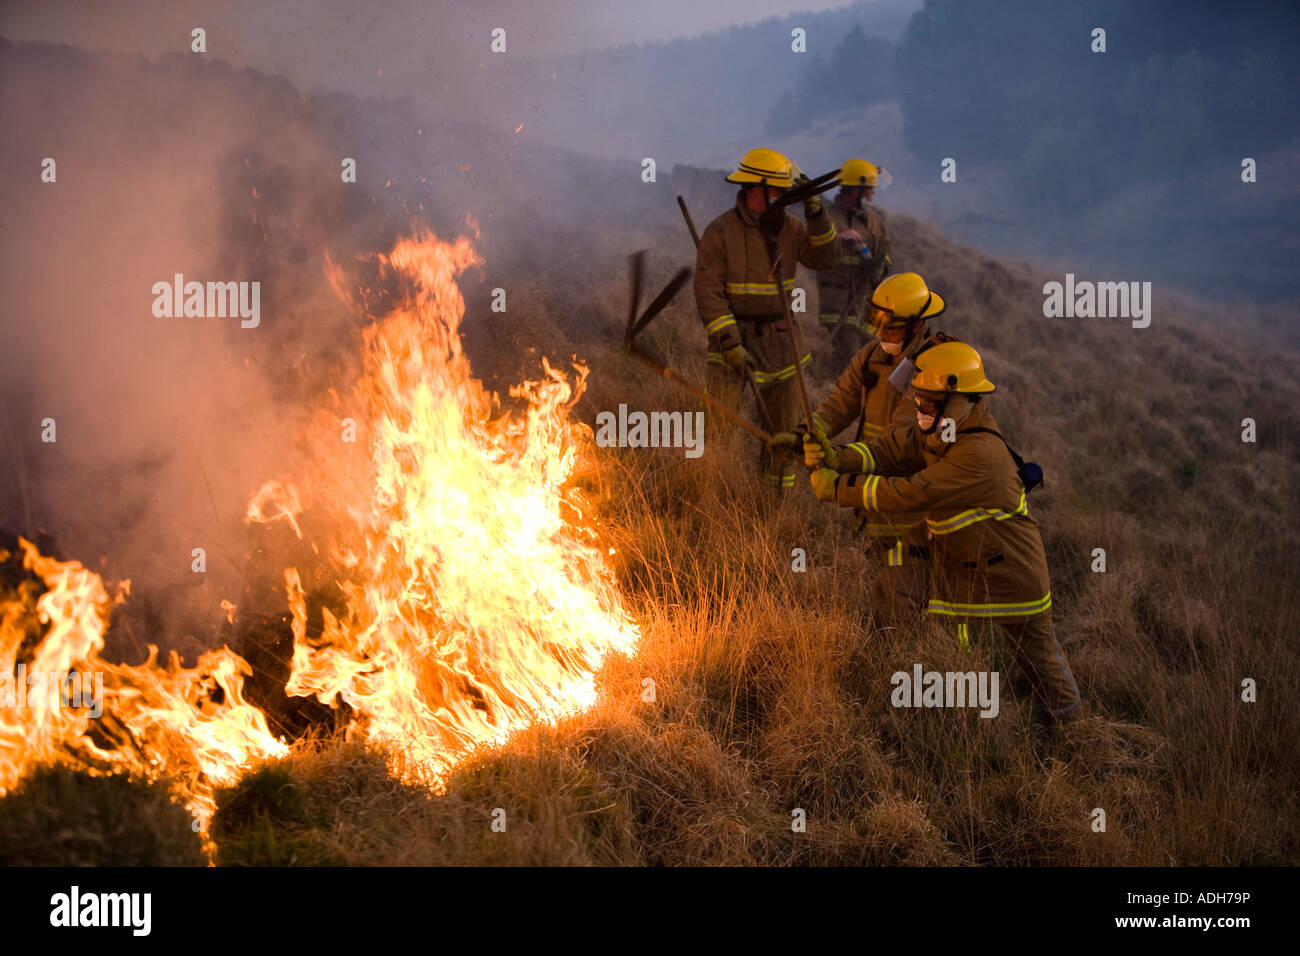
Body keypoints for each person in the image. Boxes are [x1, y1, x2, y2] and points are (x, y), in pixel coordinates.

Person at [805, 341, 1083, 725]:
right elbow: (894, 448)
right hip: (960, 554)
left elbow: (913, 492)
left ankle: (1071, 730)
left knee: (1037, 657)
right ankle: (891, 674)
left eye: (929, 404)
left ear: (959, 400)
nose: (920, 411)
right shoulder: (945, 427)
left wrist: (839, 488)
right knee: (898, 577)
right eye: (918, 400)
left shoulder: (979, 455)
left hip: (1011, 575)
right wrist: (840, 457)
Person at [771, 272, 952, 626]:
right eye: (877, 324)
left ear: (917, 327)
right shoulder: (870, 357)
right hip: (872, 494)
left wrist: (837, 460)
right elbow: (838, 405)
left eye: (892, 327)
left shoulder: (933, 371)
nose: (881, 335)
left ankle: (909, 658)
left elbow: (900, 440)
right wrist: (805, 436)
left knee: (904, 592)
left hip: (910, 499)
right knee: (876, 577)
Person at [694, 147, 839, 490]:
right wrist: (729, 343)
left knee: (782, 434)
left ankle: (772, 508)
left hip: (780, 341)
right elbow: (708, 292)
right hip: (732, 340)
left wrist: (817, 213)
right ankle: (706, 497)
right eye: (775, 193)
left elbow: (827, 258)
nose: (780, 201)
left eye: (784, 194)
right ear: (752, 190)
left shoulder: (792, 227)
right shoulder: (720, 232)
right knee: (717, 426)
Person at [816, 158, 892, 370]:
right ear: (854, 191)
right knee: (850, 358)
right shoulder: (827, 218)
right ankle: (836, 394)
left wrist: (878, 267)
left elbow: (886, 251)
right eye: (869, 190)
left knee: (872, 358)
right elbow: (813, 252)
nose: (872, 195)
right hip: (838, 303)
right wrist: (838, 239)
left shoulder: (874, 221)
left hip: (865, 304)